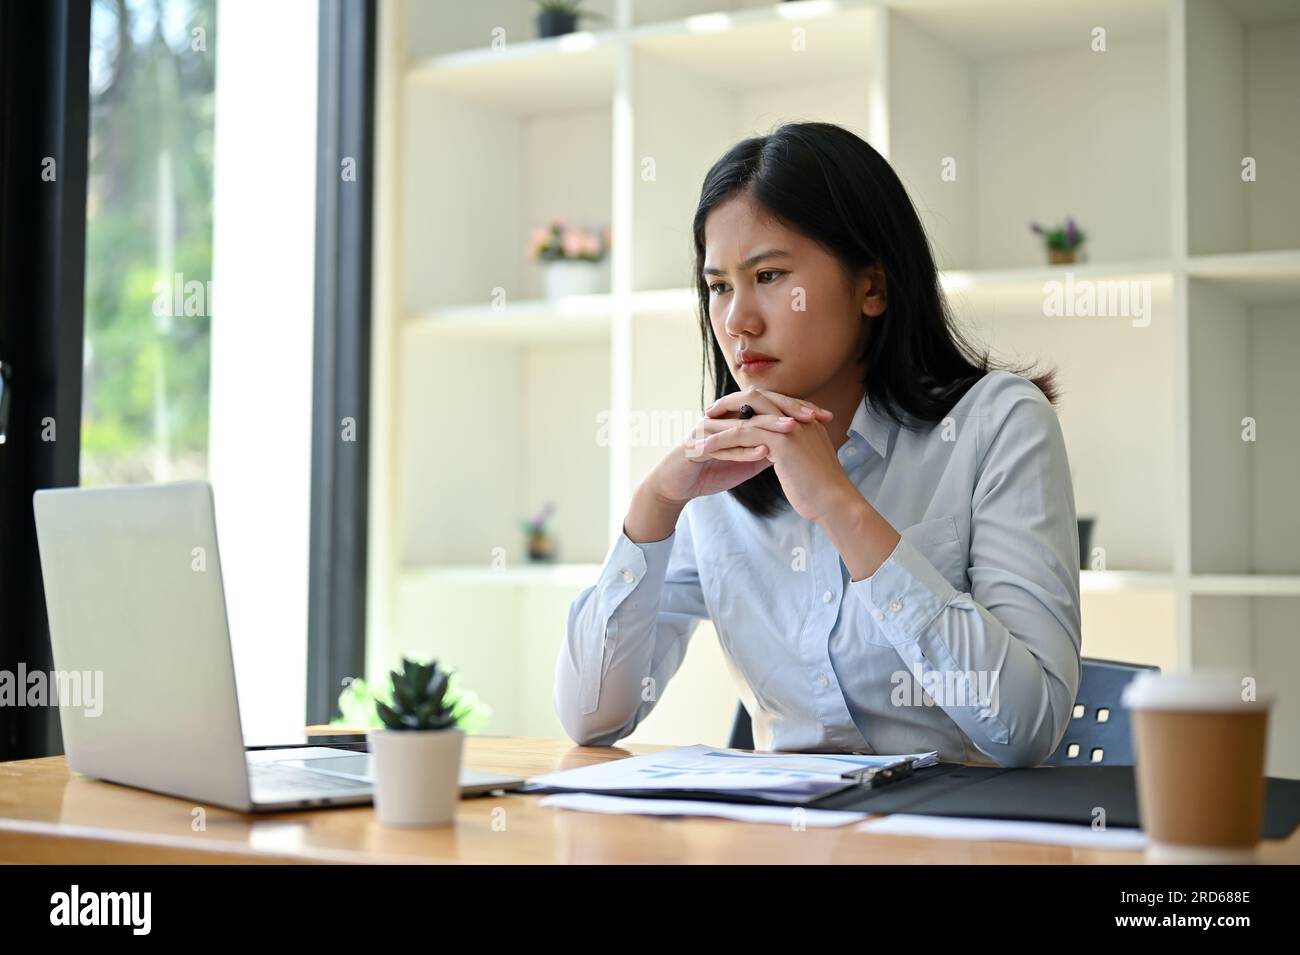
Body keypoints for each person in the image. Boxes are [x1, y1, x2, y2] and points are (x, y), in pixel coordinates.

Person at [554, 121, 1081, 767]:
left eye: (770, 275)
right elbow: (590, 717)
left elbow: (1025, 729)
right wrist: (654, 504)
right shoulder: (720, 472)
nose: (737, 321)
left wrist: (838, 504)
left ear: (872, 287)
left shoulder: (998, 425)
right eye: (718, 286)